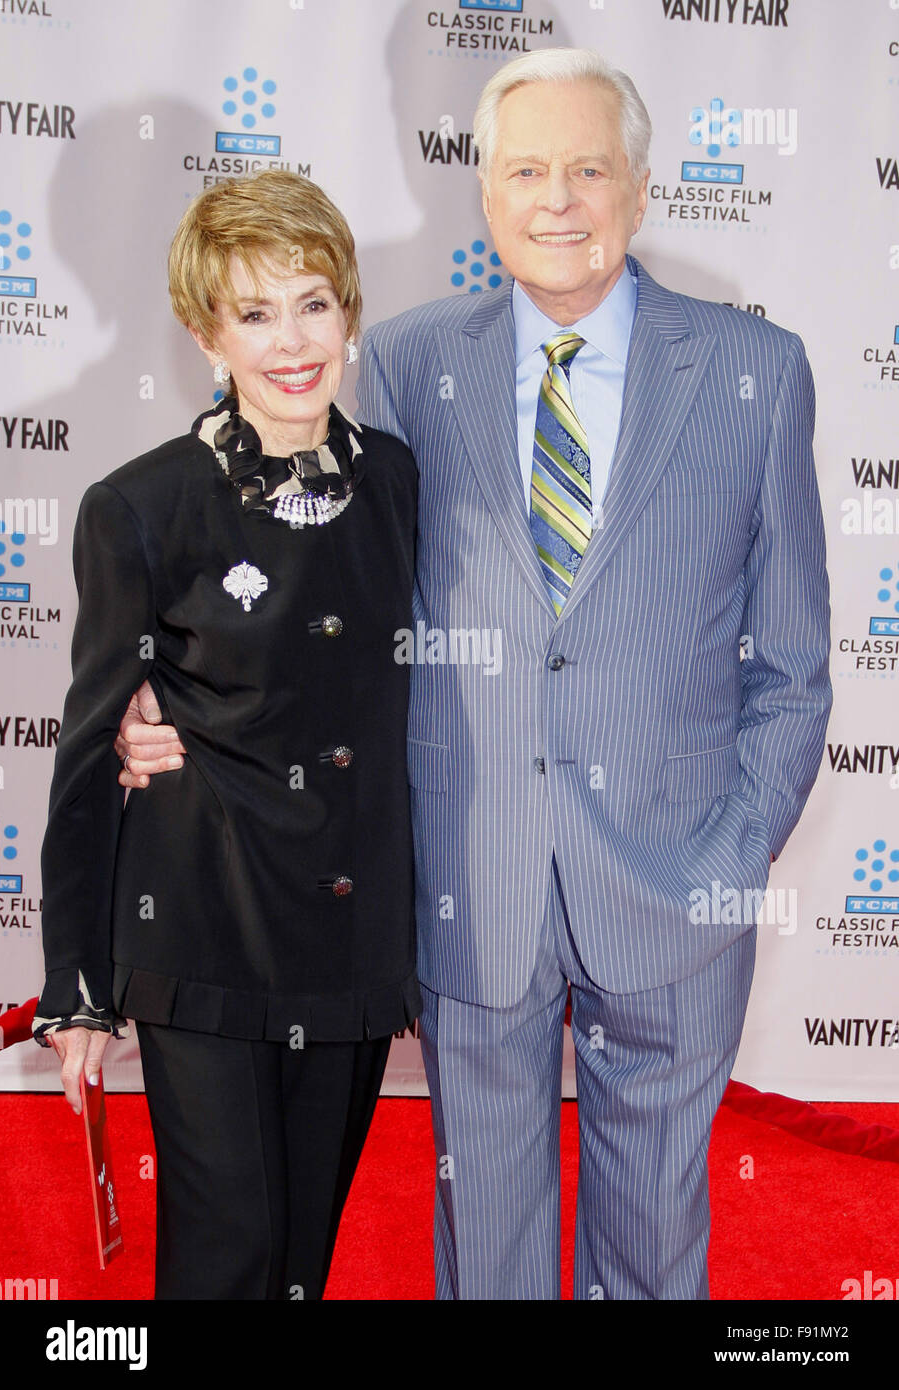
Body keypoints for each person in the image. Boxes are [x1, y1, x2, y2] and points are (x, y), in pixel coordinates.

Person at [118, 48, 832, 1300]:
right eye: (525, 171)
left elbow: (792, 664)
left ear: (644, 187)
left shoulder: (753, 375)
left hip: (677, 886)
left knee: (655, 1237)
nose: (558, 199)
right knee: (483, 1239)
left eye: (588, 168)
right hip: (465, 881)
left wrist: (732, 858)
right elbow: (305, 605)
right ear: (485, 195)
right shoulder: (397, 363)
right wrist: (161, 693)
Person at [34, 169, 419, 1300]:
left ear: (349, 311)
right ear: (207, 333)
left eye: (313, 302)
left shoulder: (398, 481)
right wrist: (77, 983)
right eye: (254, 312)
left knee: (303, 1262)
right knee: (227, 1255)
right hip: (202, 930)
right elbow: (87, 758)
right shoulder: (141, 504)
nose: (291, 340)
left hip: (350, 947)